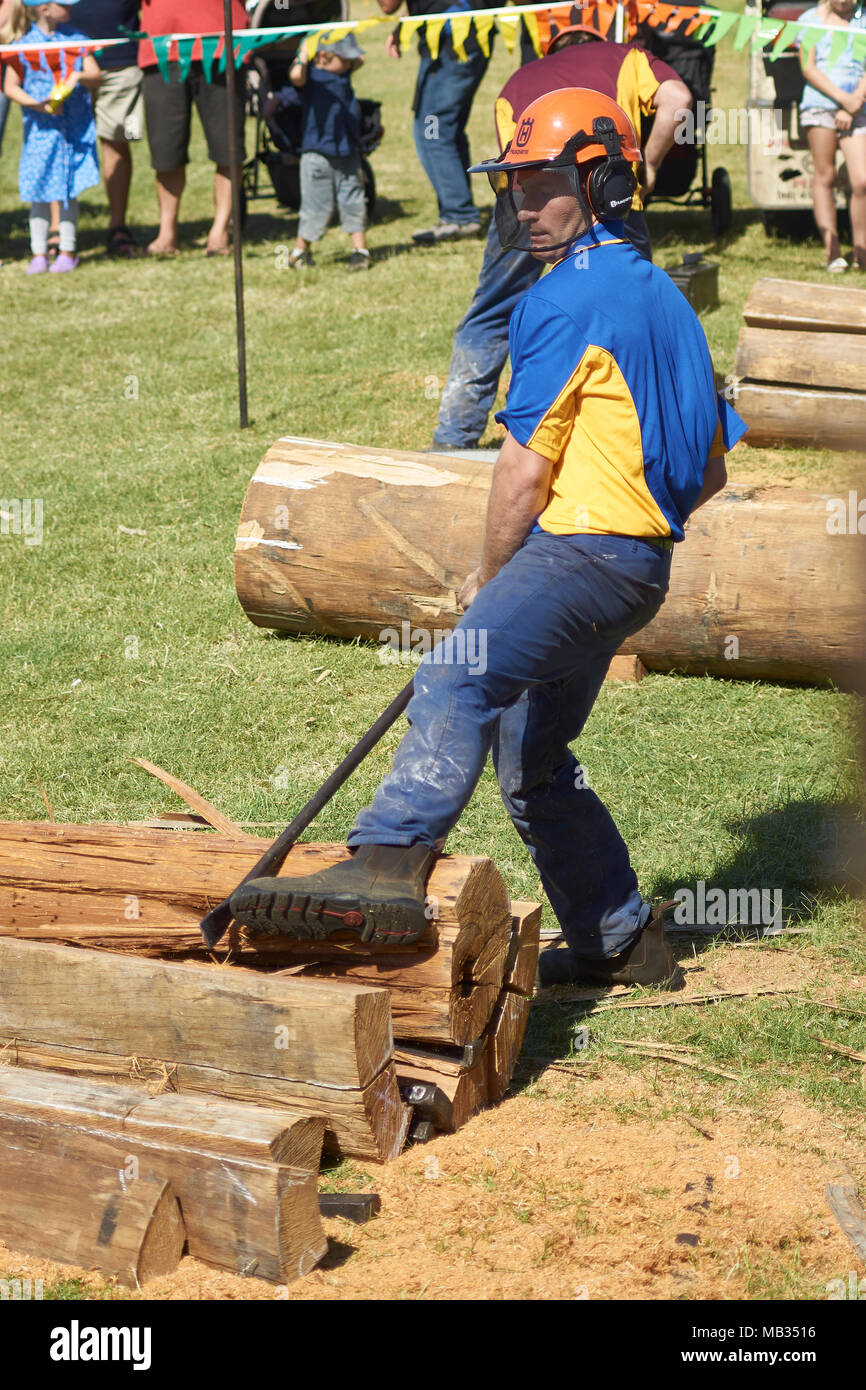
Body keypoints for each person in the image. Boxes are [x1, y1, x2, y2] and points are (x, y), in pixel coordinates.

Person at [228, 88, 747, 992]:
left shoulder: (559, 302)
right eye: (513, 186)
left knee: (458, 671)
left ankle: (386, 862)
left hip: (578, 553)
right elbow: (711, 472)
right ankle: (619, 940)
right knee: (532, 760)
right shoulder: (668, 297)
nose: (523, 206)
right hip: (639, 567)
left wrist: (493, 576)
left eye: (543, 184)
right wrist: (632, 533)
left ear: (604, 181)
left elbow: (519, 472)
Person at [432, 22, 691, 450]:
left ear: (548, 50)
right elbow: (679, 100)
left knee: (493, 312)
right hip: (610, 203)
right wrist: (649, 165)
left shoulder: (516, 82)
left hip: (528, 206)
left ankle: (452, 438)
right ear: (596, 42)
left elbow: (514, 167)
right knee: (632, 317)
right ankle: (643, 432)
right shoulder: (626, 56)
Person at [137, 0, 248, 256]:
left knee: (227, 146)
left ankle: (220, 231)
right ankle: (166, 233)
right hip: (161, 48)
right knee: (166, 149)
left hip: (221, 45)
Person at [376, 0, 491, 243]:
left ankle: (460, 217)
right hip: (472, 34)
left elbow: (388, 5)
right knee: (447, 129)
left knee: (433, 132)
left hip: (451, 41)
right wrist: (406, 21)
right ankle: (457, 212)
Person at [3, 0, 102, 273]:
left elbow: (96, 75)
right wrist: (37, 104)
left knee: (69, 190)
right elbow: (11, 86)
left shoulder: (77, 39)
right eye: (64, 5)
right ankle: (39, 253)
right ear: (45, 9)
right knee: (39, 190)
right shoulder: (24, 45)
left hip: (74, 131)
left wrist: (78, 76)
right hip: (40, 132)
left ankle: (67, 251)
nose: (71, 8)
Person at [269, 33, 371, 272]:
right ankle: (300, 252)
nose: (349, 63)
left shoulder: (343, 73)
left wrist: (340, 35)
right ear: (324, 57)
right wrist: (304, 54)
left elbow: (360, 59)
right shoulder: (312, 79)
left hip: (347, 151)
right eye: (344, 59)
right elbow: (295, 75)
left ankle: (360, 251)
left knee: (354, 199)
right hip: (317, 155)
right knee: (316, 205)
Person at [798, 0, 866, 271]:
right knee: (824, 176)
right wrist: (841, 99)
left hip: (858, 107)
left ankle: (861, 254)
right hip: (820, 104)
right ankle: (832, 252)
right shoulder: (808, 20)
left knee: (861, 181)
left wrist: (855, 101)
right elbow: (808, 67)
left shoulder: (863, 21)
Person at [74, 0, 142, 257]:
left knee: (117, 142)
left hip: (121, 61)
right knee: (60, 145)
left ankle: (118, 228)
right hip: (64, 60)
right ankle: (59, 233)